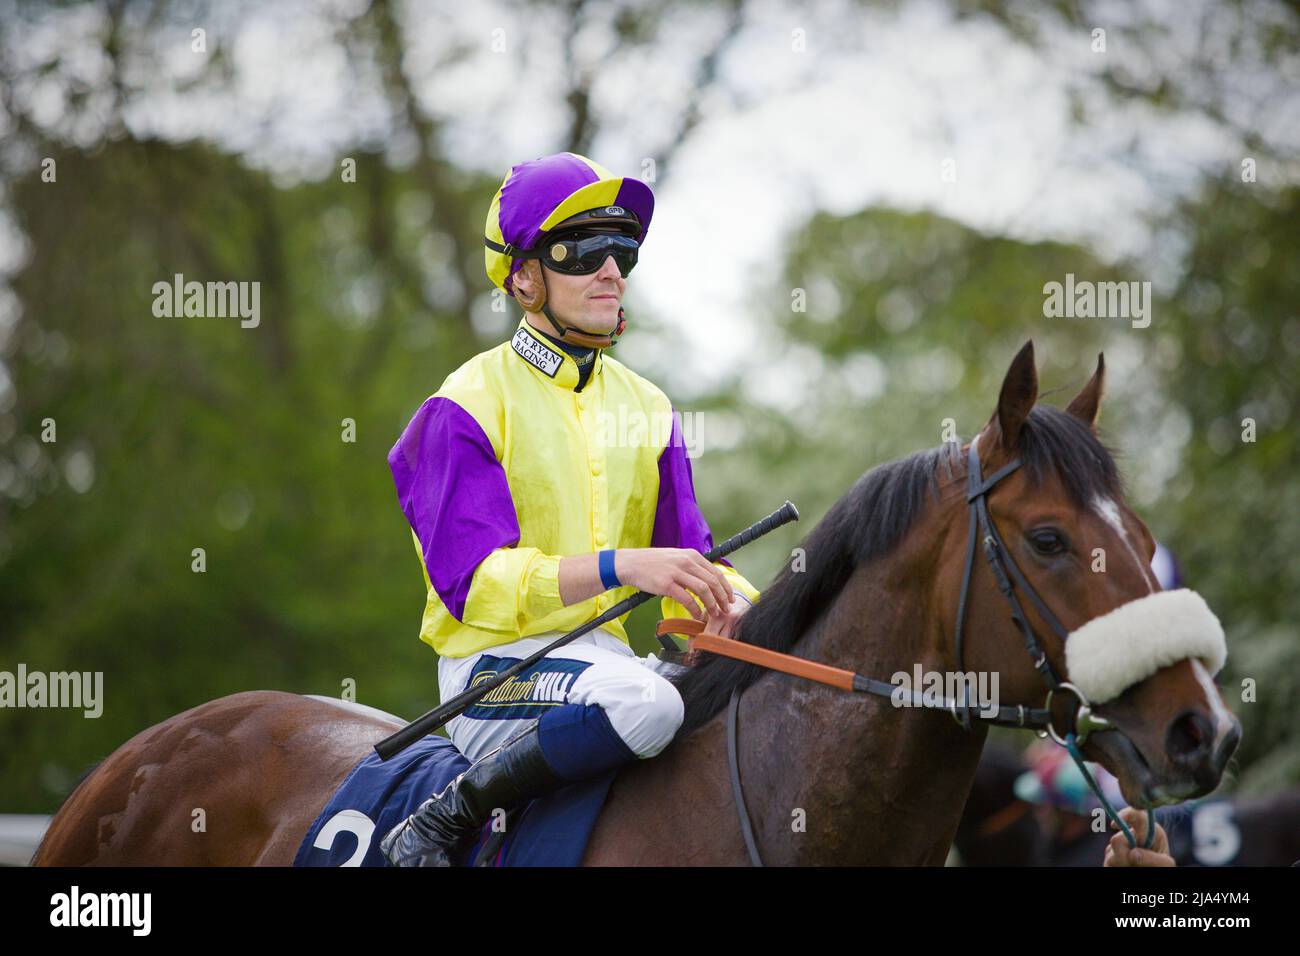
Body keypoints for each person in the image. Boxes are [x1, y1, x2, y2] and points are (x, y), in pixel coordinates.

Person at [379, 152, 761, 866]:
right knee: (648, 705)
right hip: (491, 671)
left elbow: (693, 563)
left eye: (623, 250)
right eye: (583, 250)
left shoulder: (648, 405)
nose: (611, 270)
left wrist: (743, 610)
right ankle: (446, 815)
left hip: (608, 668)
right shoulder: (461, 404)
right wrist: (624, 566)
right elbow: (476, 587)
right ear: (522, 278)